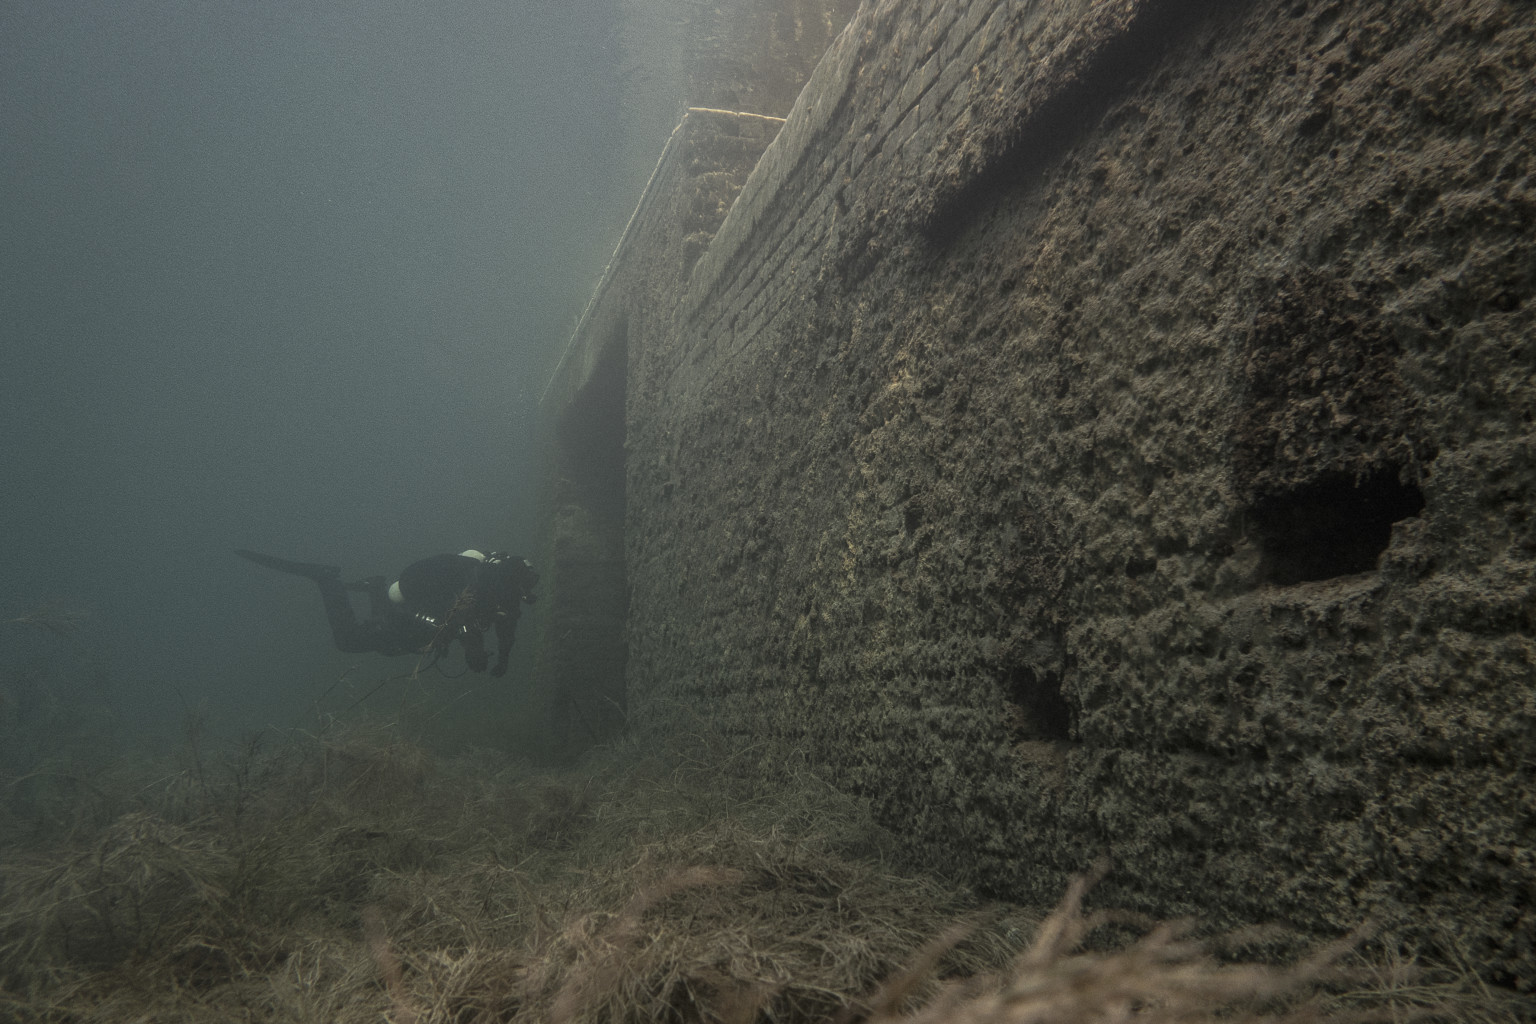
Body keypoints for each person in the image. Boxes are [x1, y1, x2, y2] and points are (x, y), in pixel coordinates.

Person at [236, 548, 538, 676]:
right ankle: (327, 579)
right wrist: (473, 647)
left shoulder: (502, 594)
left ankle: (375, 588)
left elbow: (504, 628)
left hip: (418, 621)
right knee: (348, 640)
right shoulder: (478, 585)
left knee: (391, 645)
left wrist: (503, 661)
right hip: (416, 615)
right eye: (518, 592)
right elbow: (459, 618)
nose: (518, 599)